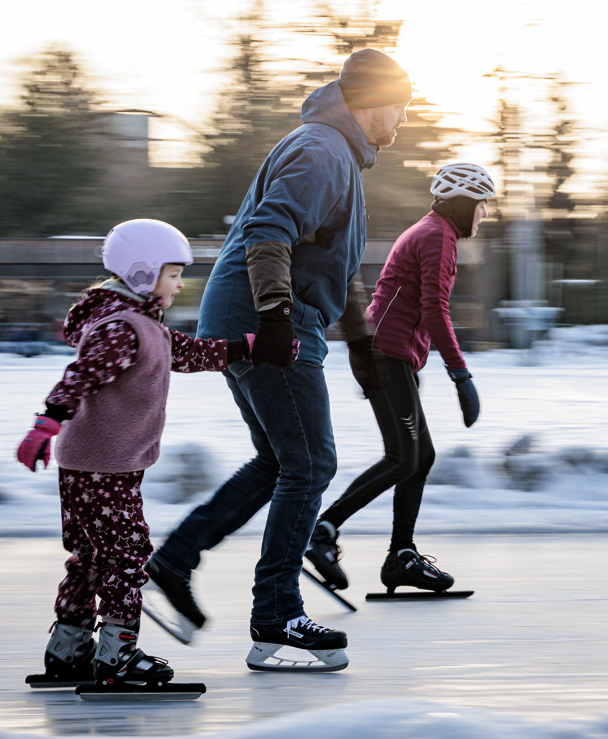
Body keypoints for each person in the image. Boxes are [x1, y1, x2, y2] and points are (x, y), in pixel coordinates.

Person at [142, 49, 413, 673]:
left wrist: (363, 347)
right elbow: (269, 232)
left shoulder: (337, 155)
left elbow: (336, 269)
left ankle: (176, 560)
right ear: (372, 102)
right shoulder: (321, 151)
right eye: (399, 105)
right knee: (312, 462)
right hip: (266, 320)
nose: (402, 119)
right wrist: (271, 318)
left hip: (267, 316)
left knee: (281, 460)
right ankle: (276, 616)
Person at [16, 218, 251, 689]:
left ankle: (69, 647)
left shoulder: (144, 325)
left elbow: (185, 354)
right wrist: (45, 424)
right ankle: (118, 654)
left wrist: (247, 347)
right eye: (172, 273)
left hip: (91, 463)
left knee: (88, 556)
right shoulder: (123, 328)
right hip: (105, 466)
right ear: (142, 273)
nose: (180, 283)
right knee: (126, 555)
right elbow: (81, 374)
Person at [306, 162, 495, 595]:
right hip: (385, 356)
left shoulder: (434, 231)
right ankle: (323, 531)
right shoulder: (437, 237)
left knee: (419, 455)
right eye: (482, 205)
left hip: (391, 357)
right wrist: (460, 373)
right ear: (463, 203)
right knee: (403, 456)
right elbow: (434, 310)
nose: (484, 215)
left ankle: (401, 557)